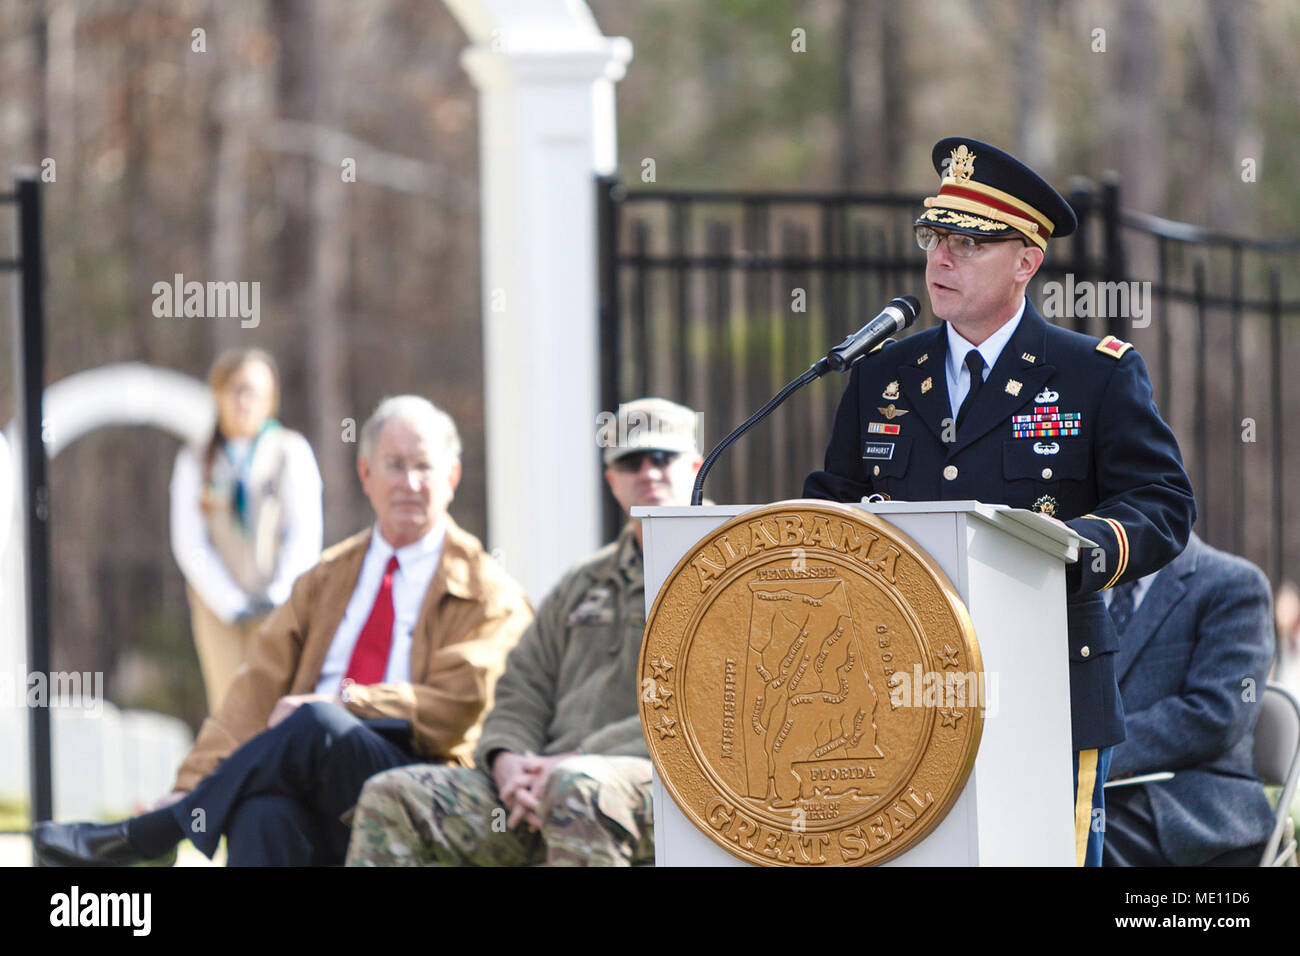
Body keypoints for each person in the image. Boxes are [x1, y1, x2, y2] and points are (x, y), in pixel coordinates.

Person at [802, 137, 1196, 866]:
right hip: (897, 698)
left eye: (968, 243)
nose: (940, 259)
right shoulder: (881, 375)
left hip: (1046, 687)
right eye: (934, 238)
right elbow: (835, 502)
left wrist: (1075, 551)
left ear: (1027, 261)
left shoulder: (1093, 375)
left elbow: (1164, 503)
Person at [34, 396, 532, 866]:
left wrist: (345, 702)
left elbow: (458, 705)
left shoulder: (488, 591)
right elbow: (254, 691)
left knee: (318, 723)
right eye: (395, 465)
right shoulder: (327, 577)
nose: (410, 483)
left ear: (453, 477)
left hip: (419, 780)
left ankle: (158, 834)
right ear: (365, 473)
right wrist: (191, 782)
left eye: (424, 467)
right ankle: (181, 814)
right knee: (262, 812)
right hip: (309, 767)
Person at [345, 397, 702, 866]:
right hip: (544, 787)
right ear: (612, 479)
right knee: (394, 795)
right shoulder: (583, 582)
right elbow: (520, 689)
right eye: (630, 461)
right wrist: (510, 762)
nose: (648, 472)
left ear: (696, 467)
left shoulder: (722, 571)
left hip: (672, 790)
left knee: (578, 788)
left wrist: (574, 758)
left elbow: (706, 709)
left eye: (663, 458)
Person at [1102, 532, 1276, 866]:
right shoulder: (1085, 594)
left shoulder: (1234, 583)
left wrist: (1098, 753)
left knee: (1074, 834)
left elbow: (1218, 715)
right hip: (1105, 795)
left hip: (1196, 804)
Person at [171, 348, 323, 713]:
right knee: (230, 706)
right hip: (219, 607)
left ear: (270, 399)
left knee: (277, 703)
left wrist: (280, 593)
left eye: (254, 392)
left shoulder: (290, 451)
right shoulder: (196, 460)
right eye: (236, 389)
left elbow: (303, 534)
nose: (244, 401)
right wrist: (229, 602)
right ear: (218, 394)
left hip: (278, 603)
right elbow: (189, 541)